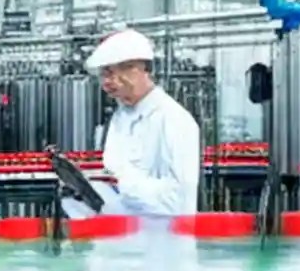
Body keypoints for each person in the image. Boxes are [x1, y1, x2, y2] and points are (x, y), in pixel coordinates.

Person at [62, 28, 201, 219]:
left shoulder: (173, 120)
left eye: (111, 73)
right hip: (120, 239)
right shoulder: (120, 118)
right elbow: (114, 181)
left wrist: (120, 184)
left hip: (161, 241)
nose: (106, 83)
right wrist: (86, 191)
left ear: (136, 69)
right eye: (102, 75)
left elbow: (177, 201)